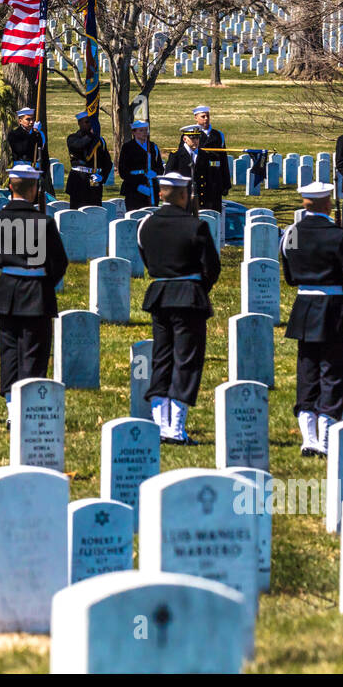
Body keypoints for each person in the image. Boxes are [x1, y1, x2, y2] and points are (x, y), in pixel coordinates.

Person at [137, 172, 221, 445]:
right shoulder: (196, 226)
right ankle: (175, 427)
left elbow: (148, 261)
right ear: (184, 195)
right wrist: (197, 288)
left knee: (162, 358)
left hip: (160, 295)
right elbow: (211, 268)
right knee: (186, 360)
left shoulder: (145, 225)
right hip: (189, 297)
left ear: (161, 194)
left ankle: (160, 422)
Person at [281, 181, 343, 456]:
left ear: (306, 203)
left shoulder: (291, 234)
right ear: (327, 203)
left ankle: (309, 439)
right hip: (333, 309)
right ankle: (325, 439)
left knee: (307, 372)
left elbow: (291, 277)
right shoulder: (338, 236)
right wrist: (338, 299)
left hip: (305, 307)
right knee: (333, 373)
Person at [0, 164, 69, 421]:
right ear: (34, 189)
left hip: (7, 291)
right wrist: (44, 282)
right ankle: (26, 407)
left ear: (11, 187)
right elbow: (59, 262)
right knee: (33, 352)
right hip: (36, 293)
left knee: (10, 351)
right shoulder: (43, 222)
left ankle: (13, 409)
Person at [64, 111, 112, 208]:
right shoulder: (73, 138)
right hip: (78, 181)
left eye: (92, 122)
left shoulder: (100, 141)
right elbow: (79, 146)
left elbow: (107, 163)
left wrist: (102, 177)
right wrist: (92, 136)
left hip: (95, 182)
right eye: (87, 122)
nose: (90, 124)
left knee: (95, 213)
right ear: (79, 123)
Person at [193, 104, 232, 213]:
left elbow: (223, 159)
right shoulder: (191, 134)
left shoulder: (218, 135)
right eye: (203, 116)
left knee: (215, 210)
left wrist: (226, 183)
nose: (206, 119)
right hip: (199, 177)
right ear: (196, 118)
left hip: (215, 177)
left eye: (208, 116)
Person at [117, 119, 164, 210]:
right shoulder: (128, 147)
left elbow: (159, 167)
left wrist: (155, 173)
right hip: (133, 189)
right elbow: (123, 171)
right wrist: (137, 186)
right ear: (134, 132)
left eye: (146, 130)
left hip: (151, 187)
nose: (144, 133)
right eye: (141, 130)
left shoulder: (153, 146)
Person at [165, 125, 209, 211]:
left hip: (200, 198)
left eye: (197, 138)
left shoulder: (204, 155)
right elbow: (169, 176)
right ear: (185, 139)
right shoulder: (176, 155)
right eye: (192, 138)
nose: (196, 141)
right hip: (182, 198)